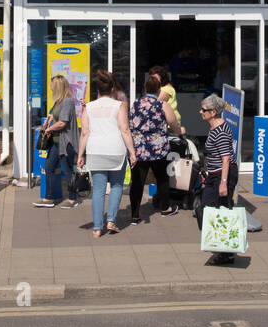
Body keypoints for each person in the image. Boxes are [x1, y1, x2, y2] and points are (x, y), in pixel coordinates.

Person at [76, 69, 136, 237]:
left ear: (97, 90)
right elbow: (124, 130)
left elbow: (85, 133)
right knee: (117, 186)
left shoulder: (88, 107)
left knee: (99, 189)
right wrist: (132, 152)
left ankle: (97, 227)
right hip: (116, 150)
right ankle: (111, 220)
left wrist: (80, 155)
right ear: (112, 90)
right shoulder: (119, 106)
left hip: (95, 151)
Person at [129, 72, 180, 223]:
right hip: (158, 149)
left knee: (137, 181)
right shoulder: (162, 105)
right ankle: (165, 207)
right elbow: (173, 122)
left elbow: (130, 124)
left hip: (139, 149)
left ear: (145, 88)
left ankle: (135, 214)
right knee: (162, 178)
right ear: (159, 89)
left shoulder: (135, 104)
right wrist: (180, 131)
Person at [198, 94, 238, 265]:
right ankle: (222, 249)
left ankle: (225, 252)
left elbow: (226, 158)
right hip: (215, 174)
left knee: (213, 212)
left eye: (204, 110)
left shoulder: (220, 130)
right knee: (211, 211)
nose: (200, 112)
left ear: (213, 112)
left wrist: (223, 183)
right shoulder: (214, 126)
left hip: (222, 175)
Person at [35, 75, 80, 208]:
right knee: (49, 167)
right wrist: (49, 118)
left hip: (66, 143)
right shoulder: (58, 102)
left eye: (52, 85)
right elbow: (53, 115)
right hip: (56, 142)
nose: (50, 87)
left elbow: (62, 123)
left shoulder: (67, 101)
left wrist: (49, 129)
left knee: (67, 170)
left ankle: (72, 199)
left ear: (58, 86)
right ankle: (48, 198)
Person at [149, 65, 185, 135]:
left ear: (162, 78)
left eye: (155, 78)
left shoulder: (167, 89)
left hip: (170, 123)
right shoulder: (158, 88)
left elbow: (153, 103)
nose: (153, 81)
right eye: (151, 78)